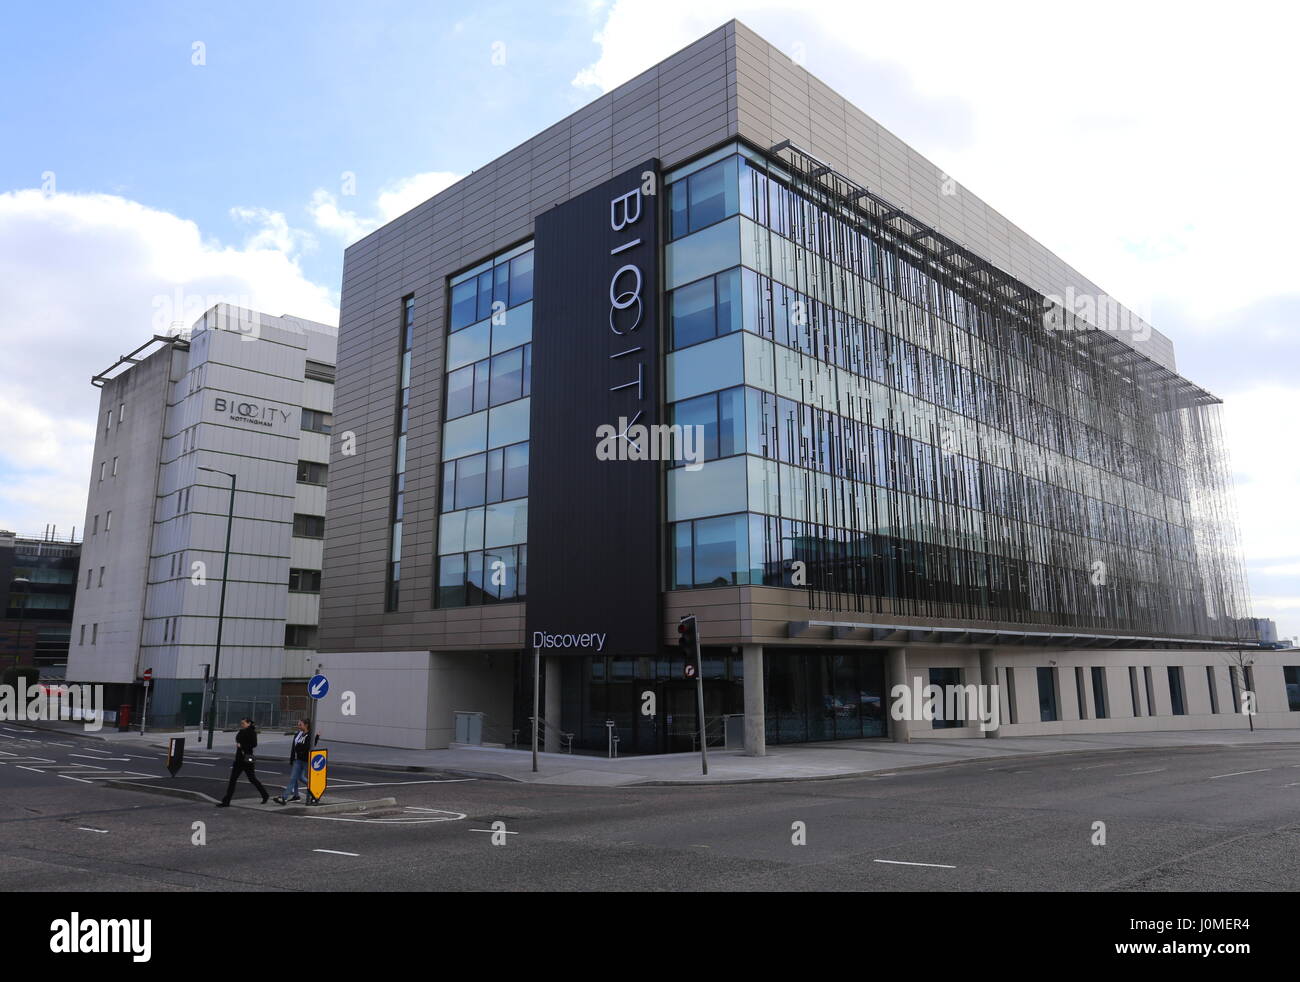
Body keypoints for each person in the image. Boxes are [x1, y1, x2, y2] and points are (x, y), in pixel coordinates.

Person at [217, 717, 269, 807]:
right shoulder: (241, 731)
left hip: (248, 759)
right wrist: (239, 743)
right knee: (232, 780)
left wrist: (242, 745)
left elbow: (254, 744)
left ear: (249, 723)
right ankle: (226, 801)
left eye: (243, 723)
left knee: (252, 779)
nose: (242, 725)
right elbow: (237, 739)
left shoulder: (252, 732)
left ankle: (265, 794)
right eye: (241, 723)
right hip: (239, 759)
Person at [273, 718, 312, 805]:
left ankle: (313, 790)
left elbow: (307, 747)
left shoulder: (310, 735)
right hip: (298, 760)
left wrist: (299, 748)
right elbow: (296, 747)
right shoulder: (300, 734)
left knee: (299, 778)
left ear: (306, 725)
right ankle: (284, 798)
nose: (298, 726)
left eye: (300, 724)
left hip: (306, 760)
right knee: (293, 779)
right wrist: (293, 757)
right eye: (298, 724)